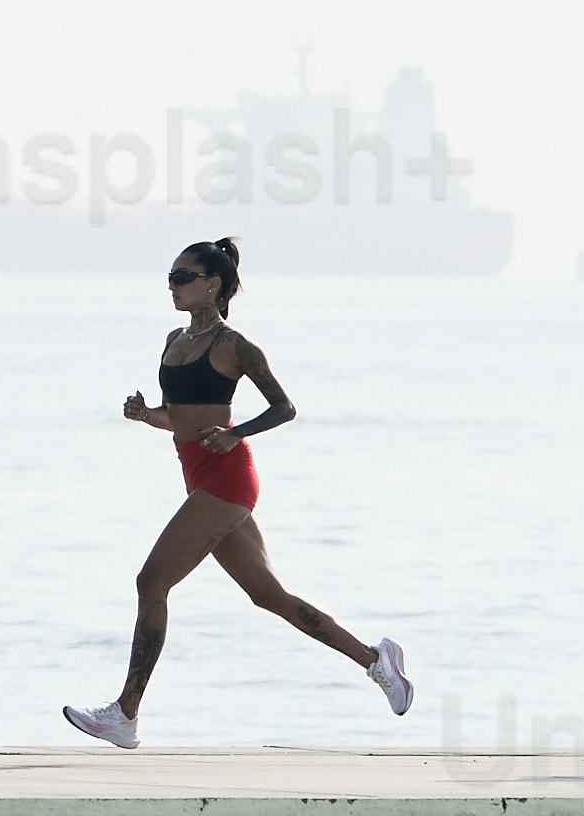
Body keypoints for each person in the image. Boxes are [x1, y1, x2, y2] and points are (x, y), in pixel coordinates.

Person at [65, 236, 413, 747]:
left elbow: (284, 408)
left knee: (151, 582)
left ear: (213, 285)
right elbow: (178, 419)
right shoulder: (173, 341)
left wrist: (236, 433)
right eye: (170, 278)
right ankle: (375, 660)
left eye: (182, 278)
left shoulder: (234, 347)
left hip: (228, 481)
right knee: (269, 597)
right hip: (199, 477)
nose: (173, 286)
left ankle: (126, 713)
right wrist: (145, 416)